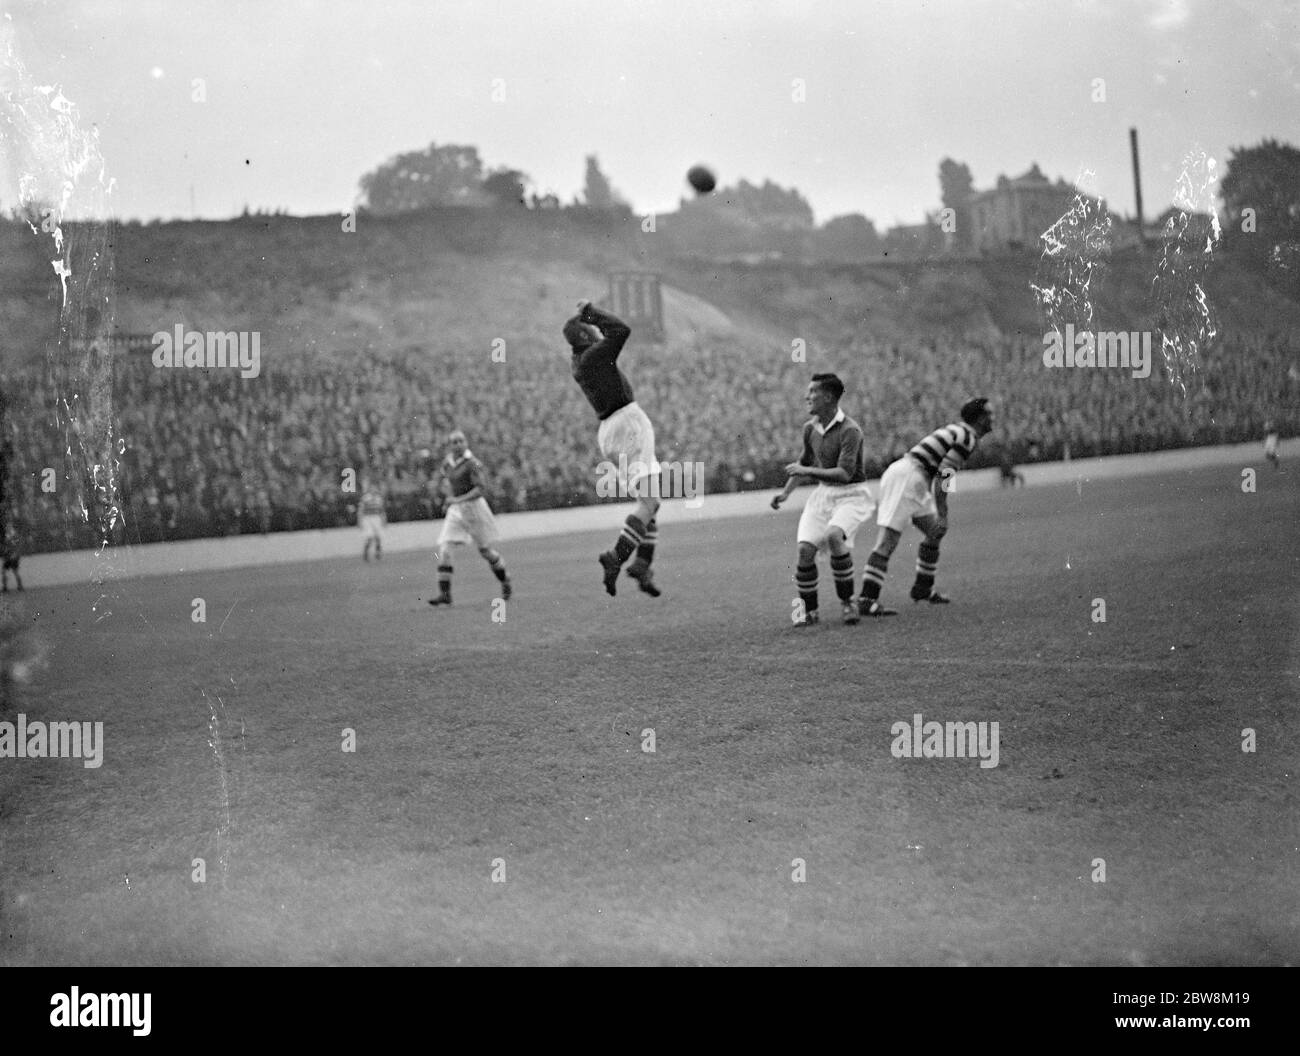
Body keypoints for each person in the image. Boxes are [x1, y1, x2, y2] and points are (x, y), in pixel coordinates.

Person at [858, 398, 994, 612]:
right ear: (979, 418)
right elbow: (945, 475)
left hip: (915, 478)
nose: (992, 418)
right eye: (989, 414)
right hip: (908, 477)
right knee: (888, 540)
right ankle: (866, 599)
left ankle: (922, 589)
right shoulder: (967, 437)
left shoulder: (960, 431)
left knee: (934, 532)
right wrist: (943, 512)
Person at [565, 300, 662, 598]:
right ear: (583, 336)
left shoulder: (579, 362)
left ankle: (643, 563)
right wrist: (591, 313)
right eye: (589, 329)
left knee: (650, 504)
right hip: (627, 423)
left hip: (610, 431)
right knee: (649, 504)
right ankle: (616, 558)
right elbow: (621, 330)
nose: (595, 332)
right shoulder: (593, 356)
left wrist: (587, 321)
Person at [770, 373, 877, 626]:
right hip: (823, 494)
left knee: (832, 536)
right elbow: (804, 463)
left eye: (812, 392)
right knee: (805, 550)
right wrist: (785, 493)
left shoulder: (851, 430)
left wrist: (806, 472)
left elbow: (843, 474)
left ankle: (848, 603)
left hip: (852, 495)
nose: (807, 397)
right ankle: (809, 611)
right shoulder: (810, 428)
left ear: (828, 397)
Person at [428, 430, 512, 606]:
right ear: (450, 445)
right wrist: (449, 499)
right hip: (456, 510)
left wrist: (456, 499)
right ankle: (445, 594)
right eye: (454, 442)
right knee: (444, 548)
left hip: (475, 509)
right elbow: (447, 482)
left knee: (485, 551)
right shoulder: (448, 463)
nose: (458, 444)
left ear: (466, 443)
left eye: (461, 441)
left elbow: (480, 489)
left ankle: (505, 581)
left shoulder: (472, 463)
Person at [358, 478, 385, 561]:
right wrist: (359, 521)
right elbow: (361, 510)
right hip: (367, 518)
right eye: (372, 487)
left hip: (376, 518)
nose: (374, 489)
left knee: (378, 536)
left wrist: (384, 519)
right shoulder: (365, 498)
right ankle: (366, 553)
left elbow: (382, 510)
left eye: (375, 487)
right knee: (369, 537)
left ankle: (378, 552)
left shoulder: (379, 498)